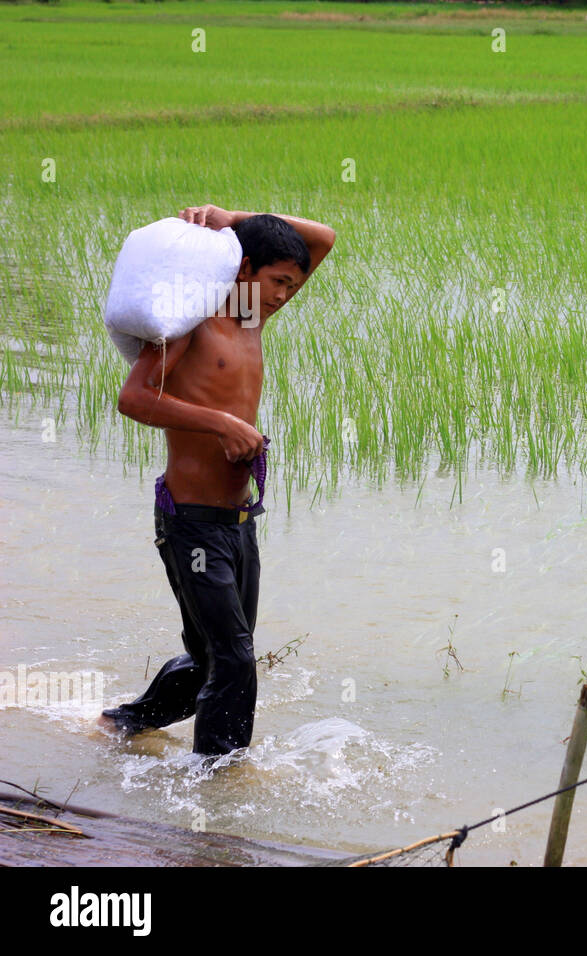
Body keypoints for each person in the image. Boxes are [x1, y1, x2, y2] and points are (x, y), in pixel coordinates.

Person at [97, 204, 335, 758]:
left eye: (291, 286)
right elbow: (134, 398)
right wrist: (223, 422)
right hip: (192, 522)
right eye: (277, 281)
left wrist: (231, 216)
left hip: (238, 520)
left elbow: (322, 237)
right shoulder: (191, 322)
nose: (282, 295)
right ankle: (219, 784)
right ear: (245, 267)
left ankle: (124, 725)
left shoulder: (253, 316)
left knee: (216, 656)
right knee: (232, 659)